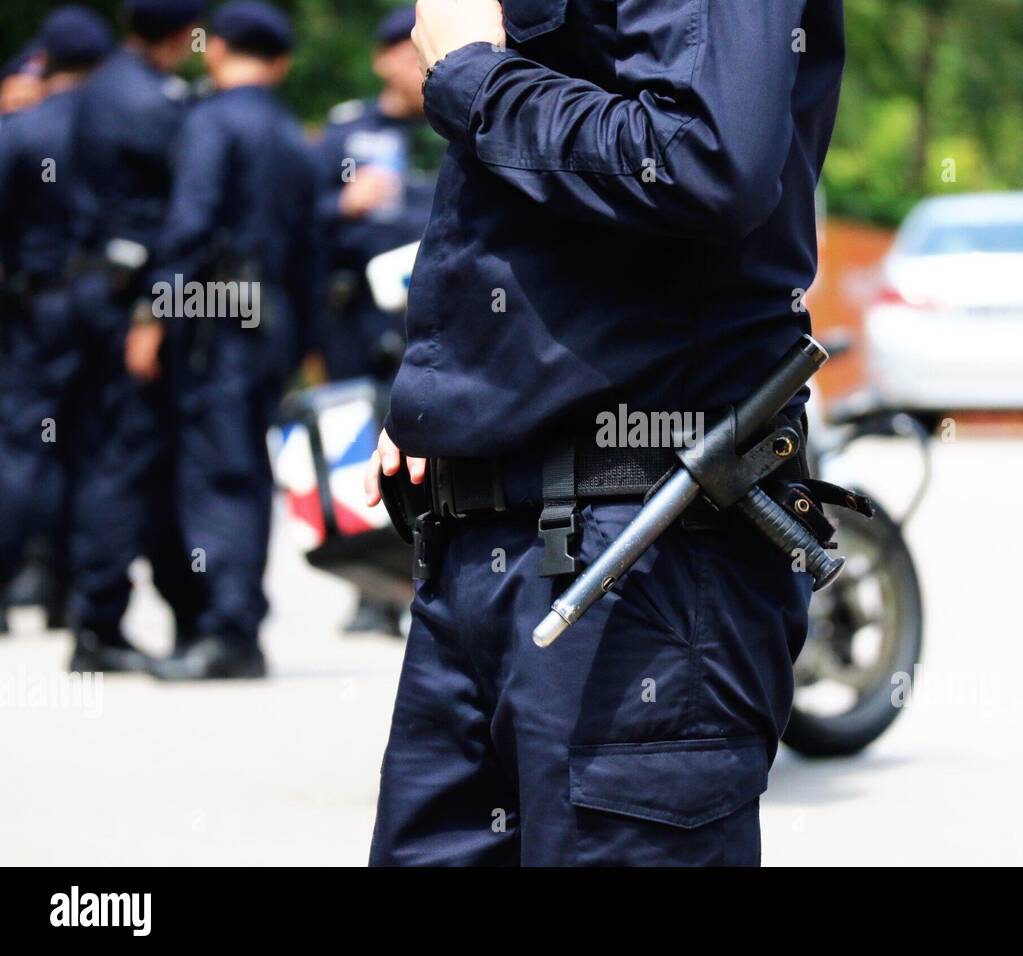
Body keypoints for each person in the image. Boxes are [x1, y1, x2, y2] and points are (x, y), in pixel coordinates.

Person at [364, 0, 845, 866]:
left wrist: (472, 76)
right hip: (496, 538)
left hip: (639, 549)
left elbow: (705, 156)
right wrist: (450, 395)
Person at [138, 1, 319, 680]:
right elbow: (312, 247)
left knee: (218, 475)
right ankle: (232, 622)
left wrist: (153, 316)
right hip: (270, 320)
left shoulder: (212, 121)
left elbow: (189, 227)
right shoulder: (289, 132)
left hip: (218, 318)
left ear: (217, 50)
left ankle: (228, 630)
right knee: (241, 468)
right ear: (279, 61)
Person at [62, 0, 209, 673]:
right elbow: (180, 215)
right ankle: (97, 622)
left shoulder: (103, 86)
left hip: (104, 289)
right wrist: (154, 315)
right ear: (184, 34)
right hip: (136, 303)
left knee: (124, 453)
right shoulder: (155, 104)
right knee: (127, 459)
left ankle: (157, 610)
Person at [314, 7, 446, 637]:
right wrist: (340, 203)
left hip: (438, 316)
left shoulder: (462, 120)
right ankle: (370, 586)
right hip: (360, 322)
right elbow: (296, 216)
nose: (405, 60)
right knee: (362, 448)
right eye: (392, 50)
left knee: (429, 444)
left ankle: (429, 575)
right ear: (378, 61)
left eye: (411, 46)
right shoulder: (349, 133)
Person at [0, 7, 113, 636]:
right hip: (103, 304)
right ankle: (72, 595)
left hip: (34, 306)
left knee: (23, 448)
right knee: (94, 448)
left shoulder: (20, 130)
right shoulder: (123, 123)